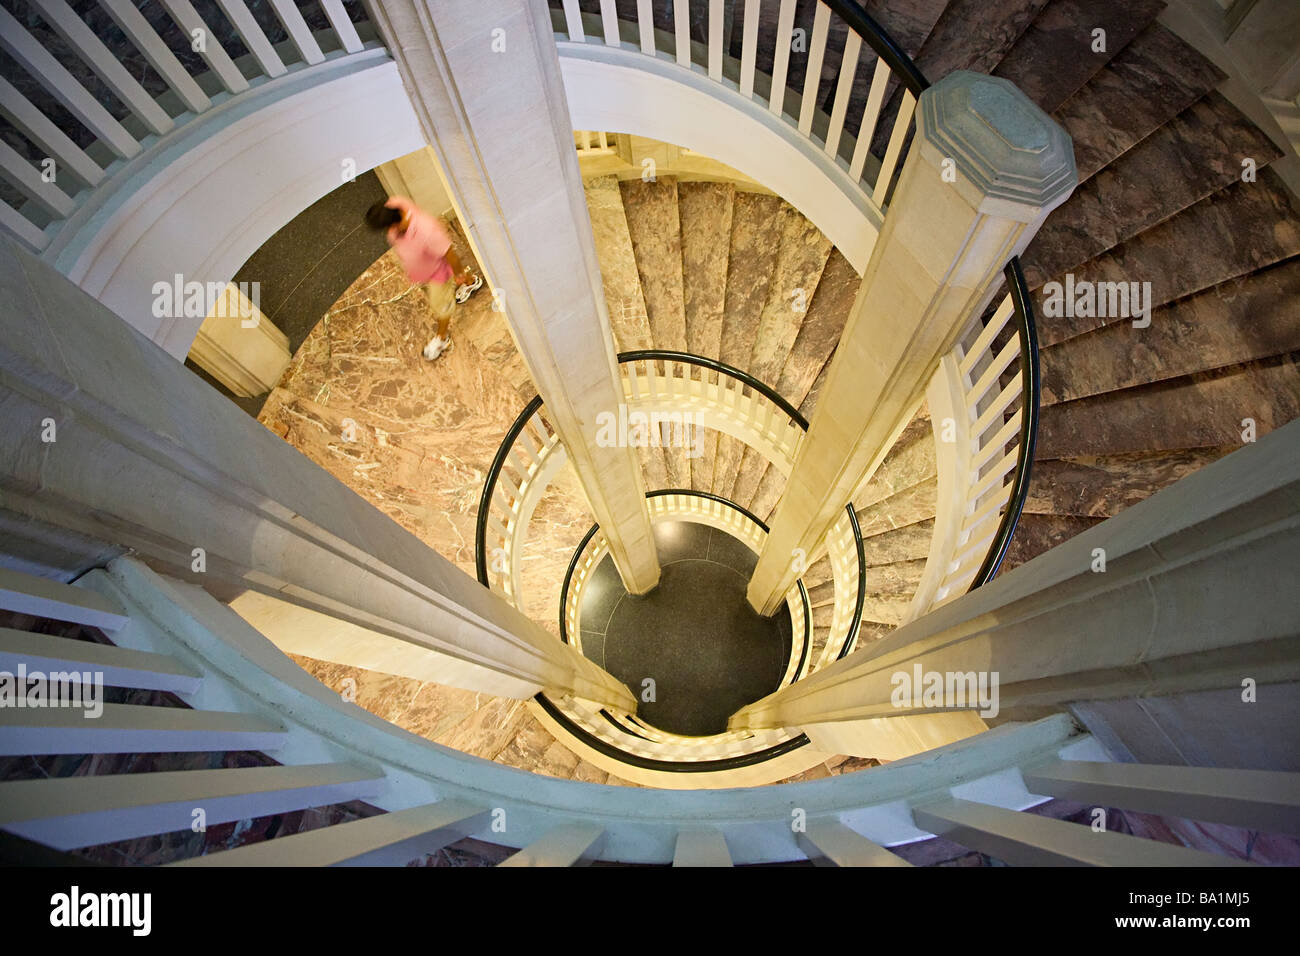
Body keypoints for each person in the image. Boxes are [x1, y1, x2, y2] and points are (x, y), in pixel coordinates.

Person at [364, 196, 482, 361]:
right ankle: (471, 282)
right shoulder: (395, 204)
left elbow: (450, 254)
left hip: (438, 274)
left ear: (393, 224)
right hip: (425, 269)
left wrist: (458, 274)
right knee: (452, 288)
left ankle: (441, 339)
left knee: (441, 306)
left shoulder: (426, 230)